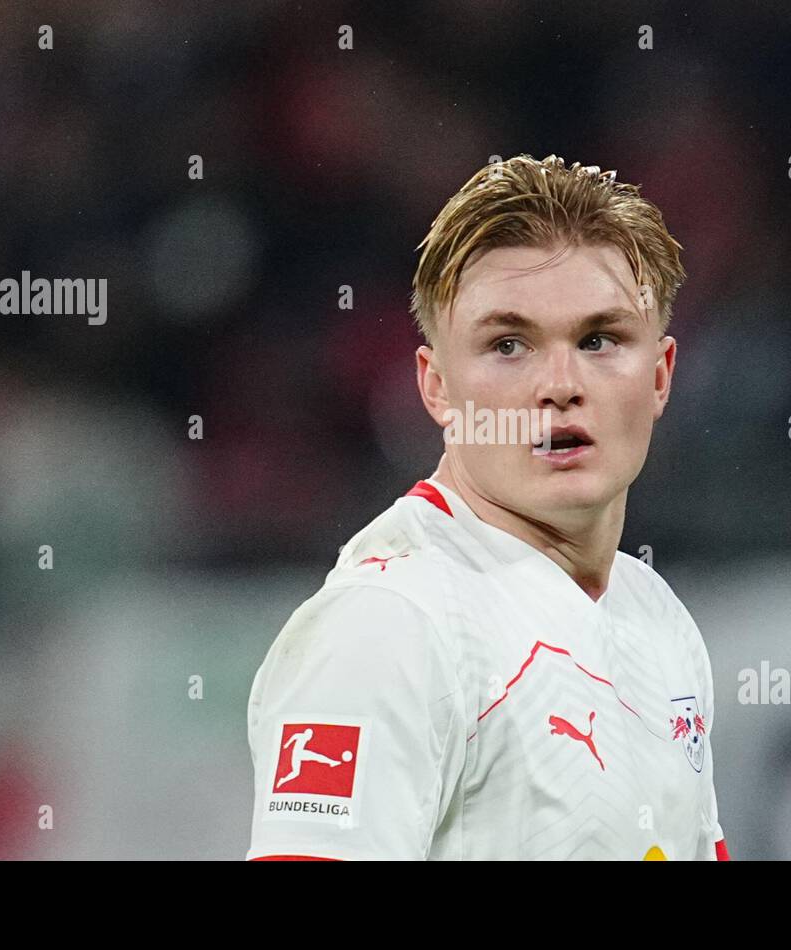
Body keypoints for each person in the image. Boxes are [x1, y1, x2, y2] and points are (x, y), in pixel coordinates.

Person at [246, 154, 729, 860]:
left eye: (600, 340)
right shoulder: (389, 628)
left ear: (659, 376)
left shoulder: (657, 616)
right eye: (509, 345)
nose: (561, 384)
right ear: (437, 387)